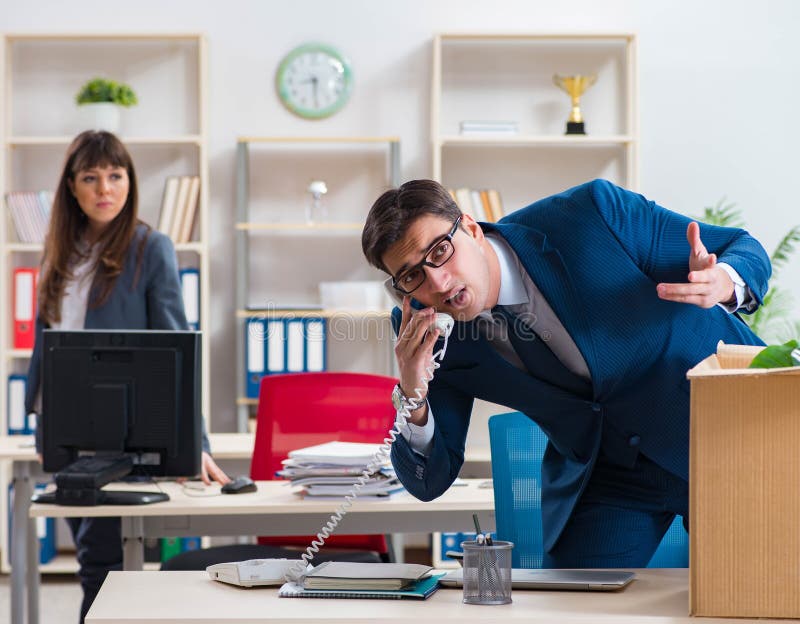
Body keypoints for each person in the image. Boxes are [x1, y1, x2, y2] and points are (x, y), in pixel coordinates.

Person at [362, 178, 770, 568]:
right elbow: (429, 482)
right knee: (569, 609)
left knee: (755, 595)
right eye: (413, 275)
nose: (437, 280)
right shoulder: (426, 332)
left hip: (721, 431)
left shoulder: (591, 215)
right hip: (610, 477)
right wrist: (411, 394)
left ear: (470, 228)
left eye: (439, 251)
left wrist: (722, 282)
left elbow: (741, 247)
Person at [24, 130, 231, 623]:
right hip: (66, 429)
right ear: (71, 187)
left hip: (125, 429)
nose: (104, 189)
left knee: (107, 562)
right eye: (91, 178)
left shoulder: (149, 247)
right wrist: (37, 421)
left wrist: (192, 440)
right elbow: (47, 342)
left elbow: (177, 347)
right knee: (95, 560)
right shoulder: (59, 253)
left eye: (115, 176)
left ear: (129, 182)